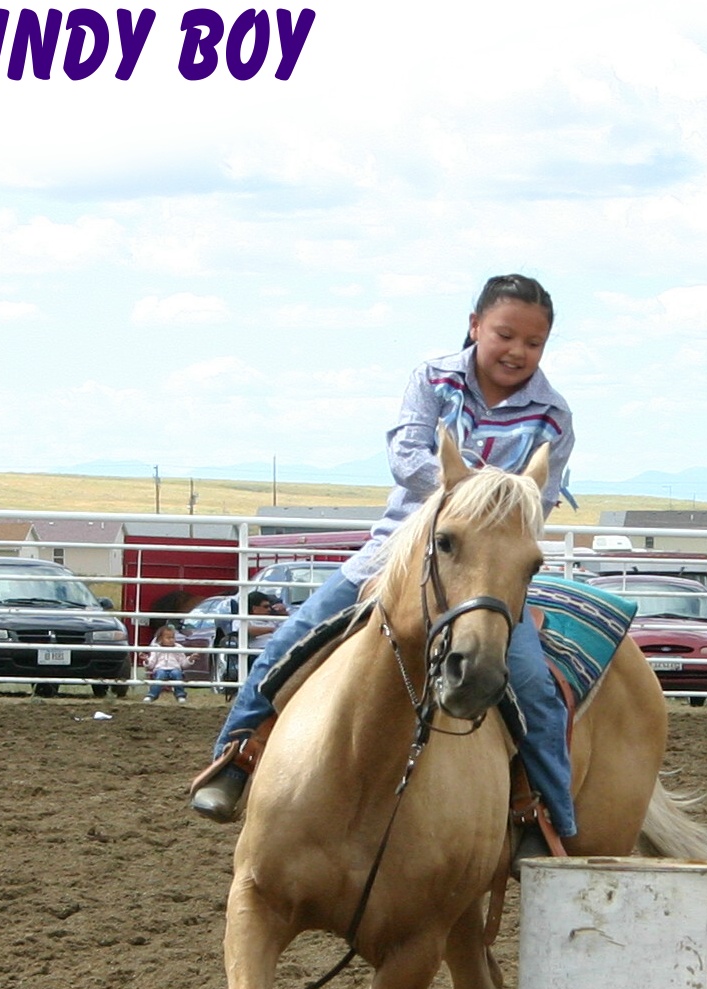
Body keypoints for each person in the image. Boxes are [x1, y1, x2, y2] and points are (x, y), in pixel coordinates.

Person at [190, 274, 576, 853]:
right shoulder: (433, 379)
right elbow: (406, 454)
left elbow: (538, 501)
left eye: (535, 342)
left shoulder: (554, 415)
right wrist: (463, 494)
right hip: (401, 544)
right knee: (300, 633)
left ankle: (548, 817)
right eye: (506, 334)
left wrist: (485, 509)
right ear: (475, 326)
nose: (518, 351)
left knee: (529, 683)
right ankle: (236, 756)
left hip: (488, 567)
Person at [145, 623, 192, 702]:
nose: (171, 640)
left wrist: (190, 659)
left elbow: (183, 664)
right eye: (168, 638)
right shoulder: (156, 648)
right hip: (160, 668)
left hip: (174, 668)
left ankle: (180, 695)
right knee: (160, 676)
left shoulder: (178, 648)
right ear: (160, 639)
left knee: (177, 675)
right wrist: (146, 660)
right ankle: (152, 695)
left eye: (173, 637)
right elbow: (151, 663)